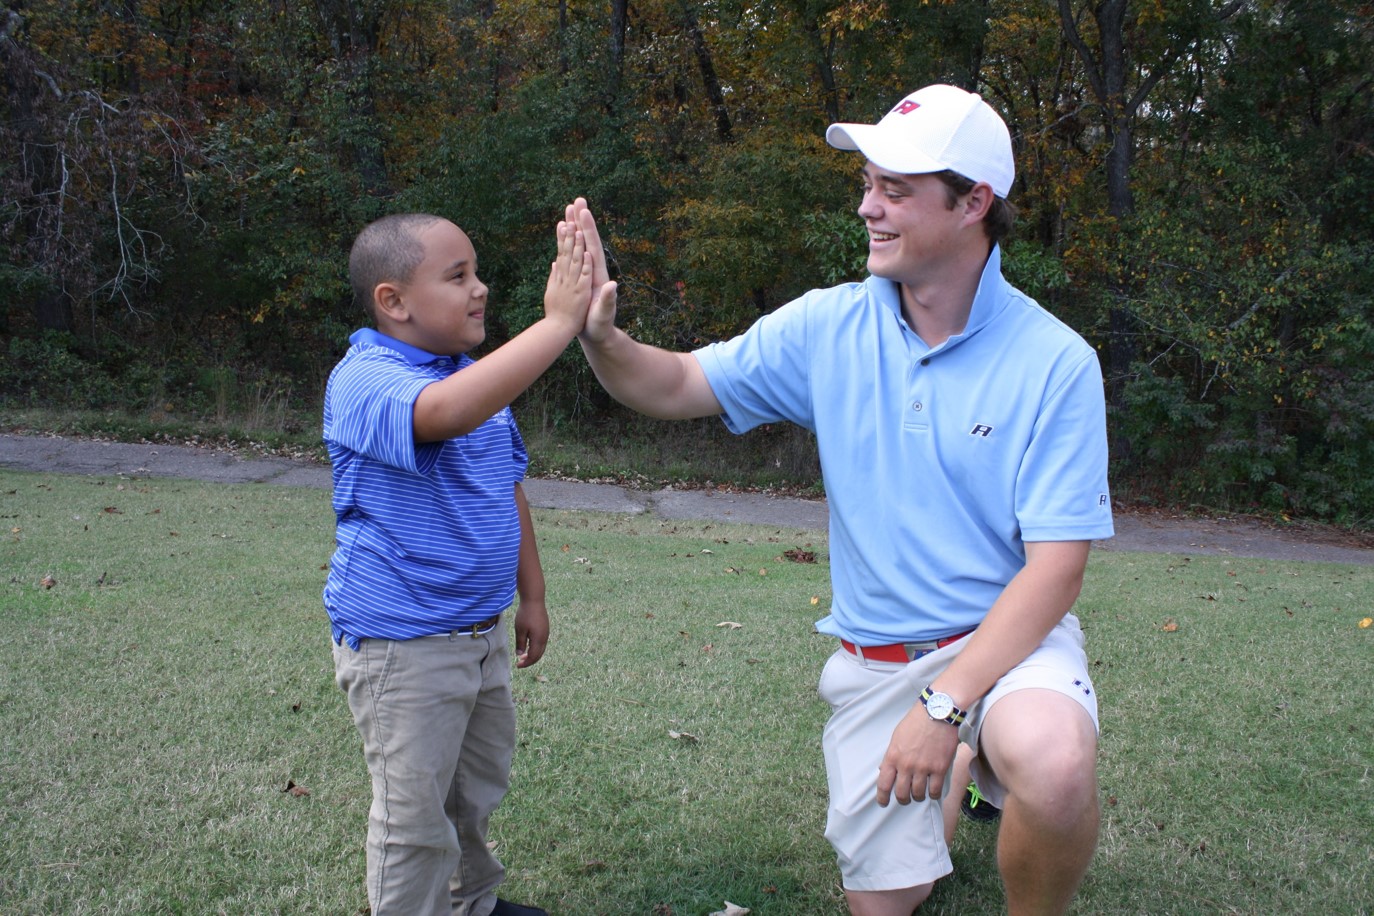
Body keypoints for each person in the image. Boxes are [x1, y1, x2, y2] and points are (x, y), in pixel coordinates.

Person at [571, 84, 1114, 915]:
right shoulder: (827, 326)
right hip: (879, 662)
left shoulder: (1056, 361)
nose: (868, 208)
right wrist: (604, 339)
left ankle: (995, 799)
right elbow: (677, 381)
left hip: (1004, 645)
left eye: (894, 191)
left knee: (1056, 761)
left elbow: (1055, 573)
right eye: (866, 185)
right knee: (891, 902)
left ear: (974, 203)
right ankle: (965, 773)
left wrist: (944, 706)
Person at [323, 209, 603, 916]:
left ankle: (470, 904)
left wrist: (531, 597)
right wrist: (557, 325)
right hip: (403, 648)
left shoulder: (473, 377)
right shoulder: (365, 380)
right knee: (414, 819)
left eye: (477, 271)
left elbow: (507, 488)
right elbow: (442, 415)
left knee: (473, 793)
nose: (479, 288)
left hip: (479, 635)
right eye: (457, 276)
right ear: (394, 301)